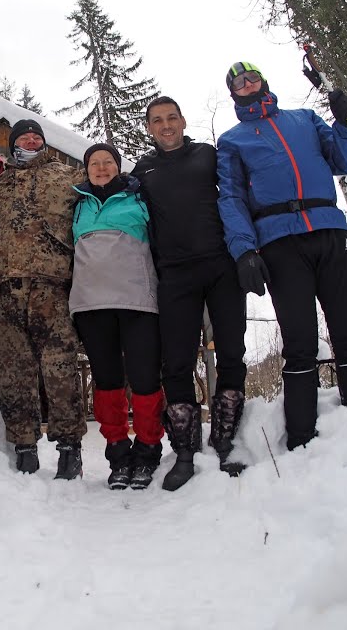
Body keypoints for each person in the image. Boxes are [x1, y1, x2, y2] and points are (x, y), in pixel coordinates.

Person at [216, 61, 347, 452]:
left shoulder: (304, 119)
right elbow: (232, 197)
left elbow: (344, 160)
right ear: (233, 92)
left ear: (263, 81)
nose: (247, 84)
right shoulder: (233, 141)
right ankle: (301, 438)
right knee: (300, 339)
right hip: (279, 242)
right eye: (239, 82)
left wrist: (344, 122)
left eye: (252, 77)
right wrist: (244, 251)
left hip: (329, 229)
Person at [133, 97, 249, 491]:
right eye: (157, 121)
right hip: (175, 275)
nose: (165, 125)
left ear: (182, 120)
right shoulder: (142, 170)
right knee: (176, 362)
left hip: (221, 266)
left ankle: (226, 438)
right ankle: (184, 449)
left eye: (171, 118)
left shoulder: (208, 155)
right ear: (148, 127)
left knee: (232, 349)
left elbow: (238, 190)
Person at [0, 118, 87, 479]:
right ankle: (23, 445)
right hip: (4, 284)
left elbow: (105, 180)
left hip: (51, 284)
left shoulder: (66, 174)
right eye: (24, 135)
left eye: (36, 135)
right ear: (13, 143)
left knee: (59, 366)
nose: (30, 137)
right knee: (12, 368)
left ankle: (69, 446)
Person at [69, 142, 164, 490]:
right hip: (91, 306)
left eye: (108, 162)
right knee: (107, 381)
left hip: (137, 301)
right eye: (94, 163)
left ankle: (148, 449)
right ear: (87, 169)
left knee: (144, 379)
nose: (101, 167)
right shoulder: (75, 204)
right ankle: (118, 453)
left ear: (118, 166)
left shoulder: (140, 198)